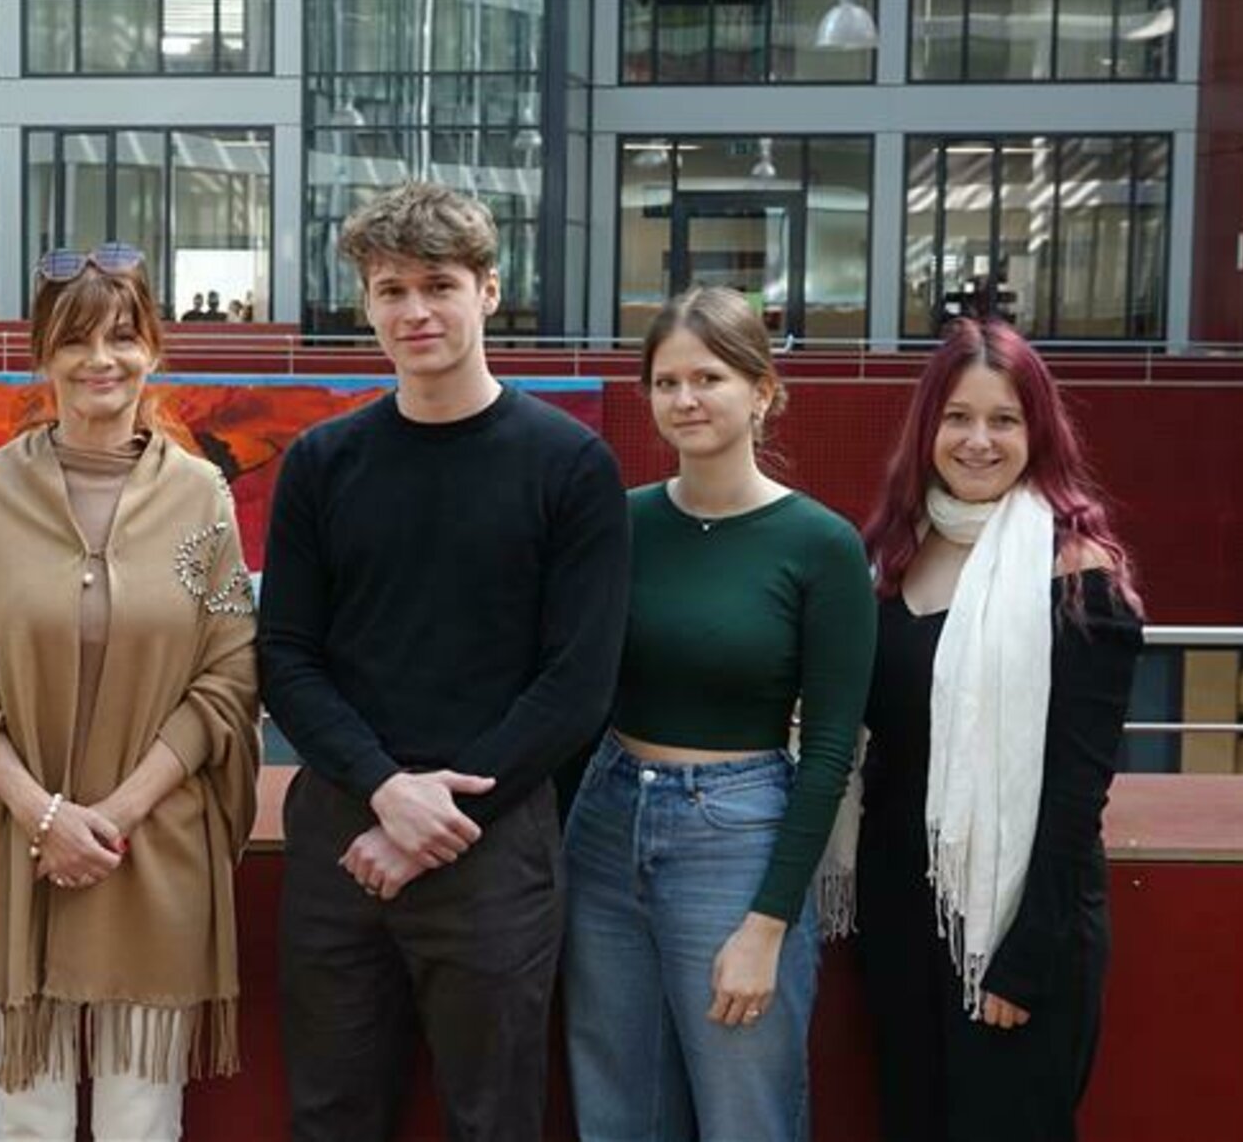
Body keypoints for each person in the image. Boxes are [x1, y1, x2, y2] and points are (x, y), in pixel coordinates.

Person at [259, 181, 631, 1142]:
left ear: (489, 291)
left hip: (496, 846)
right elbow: (287, 656)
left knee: (493, 1120)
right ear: (366, 305)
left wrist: (439, 814)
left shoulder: (569, 465)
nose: (414, 311)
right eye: (389, 290)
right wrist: (388, 790)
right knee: (332, 1116)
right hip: (343, 833)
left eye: (438, 285)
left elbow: (577, 683)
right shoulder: (322, 462)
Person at [0, 240, 261, 1142]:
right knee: (22, 1113)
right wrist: (43, 817)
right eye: (76, 340)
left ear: (154, 348)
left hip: (154, 848)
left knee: (140, 1116)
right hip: (15, 848)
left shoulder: (201, 499)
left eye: (122, 336)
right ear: (41, 356)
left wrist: (116, 812)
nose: (100, 360)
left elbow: (228, 673)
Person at [560, 286, 875, 1141]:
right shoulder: (622, 523)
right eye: (667, 382)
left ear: (762, 391)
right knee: (618, 1104)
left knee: (747, 1113)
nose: (687, 399)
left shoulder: (820, 545)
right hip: (607, 819)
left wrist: (769, 922)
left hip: (738, 836)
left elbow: (832, 749)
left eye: (711, 378)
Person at [855, 317, 1144, 1142]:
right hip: (902, 917)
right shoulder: (890, 559)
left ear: (1037, 432)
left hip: (1018, 929)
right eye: (957, 416)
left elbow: (1074, 794)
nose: (978, 440)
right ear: (927, 428)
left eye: (1004, 420)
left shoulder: (1075, 577)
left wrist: (1024, 959)